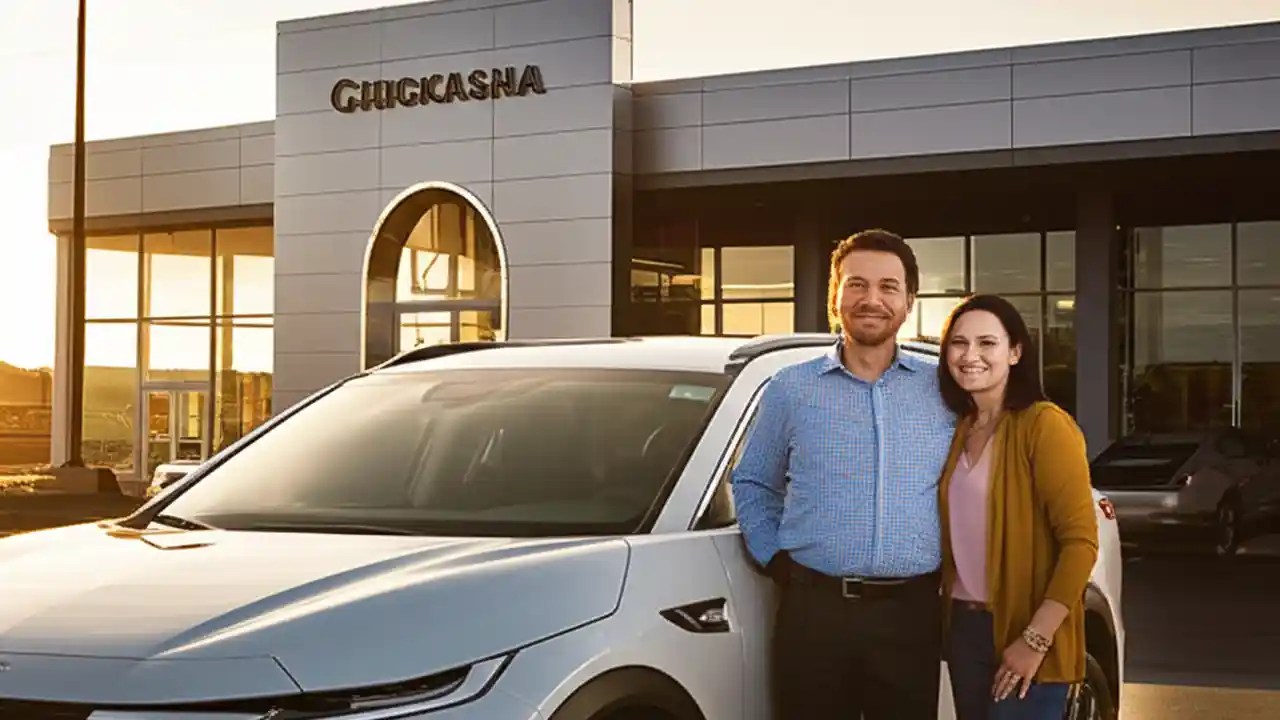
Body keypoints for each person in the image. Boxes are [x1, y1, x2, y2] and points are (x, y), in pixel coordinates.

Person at [731, 229, 957, 719]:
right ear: (834, 297)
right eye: (856, 284)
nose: (871, 299)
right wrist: (774, 558)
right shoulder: (790, 389)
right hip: (814, 614)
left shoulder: (943, 391)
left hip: (912, 615)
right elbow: (752, 482)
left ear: (909, 301)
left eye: (888, 287)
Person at [935, 294, 1099, 720]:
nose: (970, 355)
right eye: (958, 343)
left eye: (987, 343)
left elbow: (1080, 543)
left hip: (1027, 625)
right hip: (964, 629)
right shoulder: (958, 429)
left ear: (1015, 352)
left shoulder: (1045, 425)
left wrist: (1035, 639)